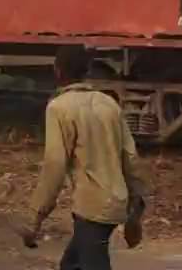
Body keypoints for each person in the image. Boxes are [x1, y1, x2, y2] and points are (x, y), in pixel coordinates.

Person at [26, 46, 146, 270]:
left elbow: (55, 166)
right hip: (115, 201)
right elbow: (130, 157)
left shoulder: (58, 108)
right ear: (87, 70)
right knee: (72, 264)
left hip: (92, 207)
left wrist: (35, 218)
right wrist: (136, 204)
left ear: (57, 71)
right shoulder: (108, 103)